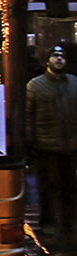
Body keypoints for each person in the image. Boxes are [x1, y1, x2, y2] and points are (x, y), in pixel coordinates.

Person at [26, 46, 77, 238]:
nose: (59, 60)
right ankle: (48, 222)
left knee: (69, 186)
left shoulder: (74, 83)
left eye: (62, 56)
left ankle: (68, 222)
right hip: (46, 145)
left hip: (70, 144)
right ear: (47, 60)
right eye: (55, 56)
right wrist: (30, 141)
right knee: (48, 185)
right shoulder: (35, 86)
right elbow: (28, 116)